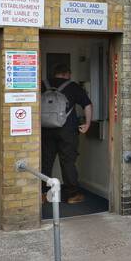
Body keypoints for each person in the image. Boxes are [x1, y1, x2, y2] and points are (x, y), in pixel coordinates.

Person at [41, 62, 92, 205]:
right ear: (66, 74)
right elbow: (87, 104)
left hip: (45, 130)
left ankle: (42, 194)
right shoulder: (73, 86)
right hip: (67, 131)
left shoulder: (42, 85)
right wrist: (87, 124)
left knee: (45, 162)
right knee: (68, 162)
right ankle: (72, 195)